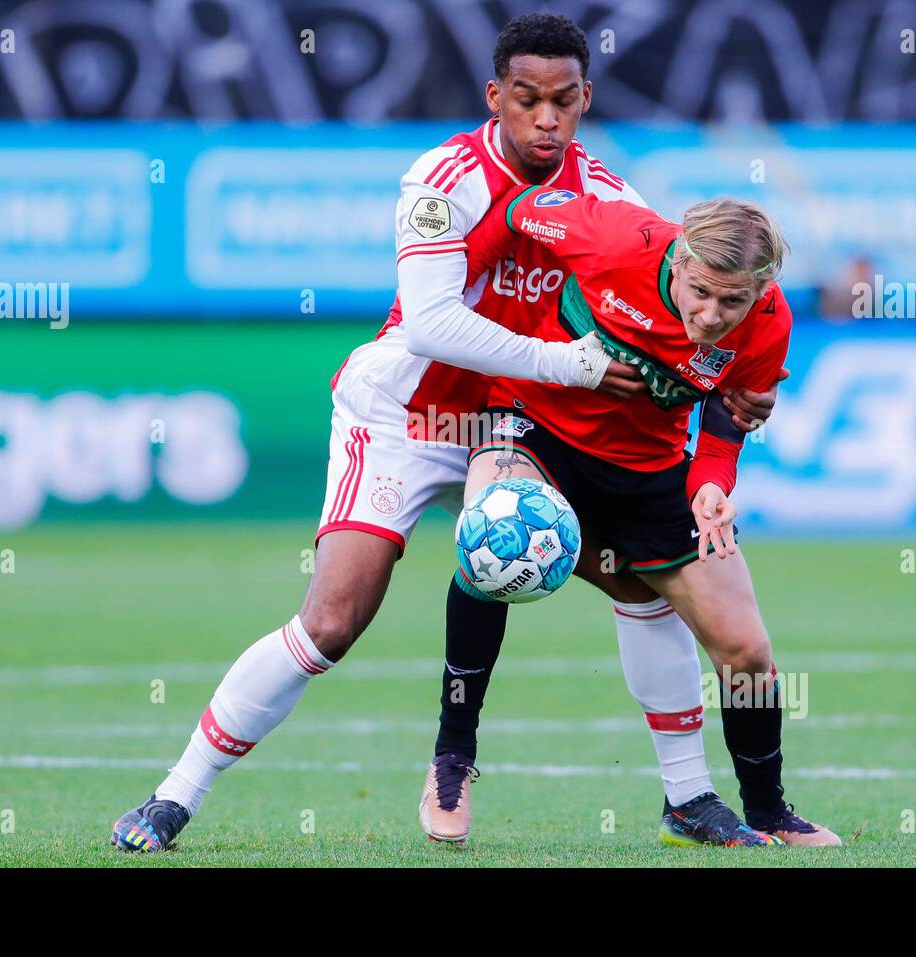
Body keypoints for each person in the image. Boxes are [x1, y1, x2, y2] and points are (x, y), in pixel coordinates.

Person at [110, 14, 779, 852]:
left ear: (584, 101)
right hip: (408, 412)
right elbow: (429, 323)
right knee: (332, 620)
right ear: (495, 96)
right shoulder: (443, 177)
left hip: (522, 421)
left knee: (643, 586)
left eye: (564, 102)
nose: (546, 120)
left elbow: (678, 321)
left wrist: (733, 398)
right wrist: (568, 364)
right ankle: (175, 795)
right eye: (527, 100)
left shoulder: (611, 199)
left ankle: (686, 795)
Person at [431, 182, 841, 846]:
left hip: (648, 469)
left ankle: (763, 810)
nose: (710, 314)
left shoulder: (769, 325)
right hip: (533, 425)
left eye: (732, 300)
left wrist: (711, 486)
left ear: (761, 290)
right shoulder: (612, 236)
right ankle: (452, 756)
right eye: (700, 291)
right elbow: (513, 211)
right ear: (677, 259)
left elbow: (725, 426)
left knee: (748, 652)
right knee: (493, 532)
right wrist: (454, 311)